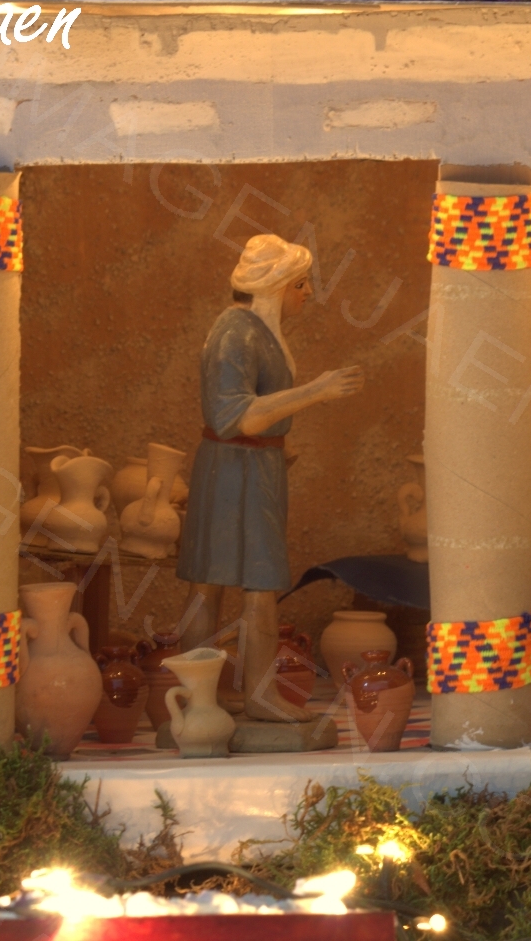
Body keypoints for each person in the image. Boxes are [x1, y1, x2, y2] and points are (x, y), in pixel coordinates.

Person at [176, 234, 364, 722]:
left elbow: (253, 415)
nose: (308, 293)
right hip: (236, 467)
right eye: (301, 284)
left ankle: (206, 699)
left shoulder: (254, 329)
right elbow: (234, 417)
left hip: (252, 465)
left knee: (216, 580)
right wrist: (316, 391)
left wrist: (281, 446)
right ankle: (242, 698)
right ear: (275, 287)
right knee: (250, 581)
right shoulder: (236, 333)